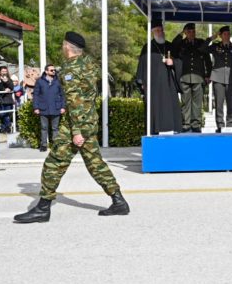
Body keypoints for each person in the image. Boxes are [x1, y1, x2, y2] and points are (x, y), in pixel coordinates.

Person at [14, 32, 129, 223]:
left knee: (54, 162)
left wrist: (76, 131)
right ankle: (119, 201)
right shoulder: (89, 63)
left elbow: (75, 101)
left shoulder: (70, 68)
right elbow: (87, 98)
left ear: (67, 47)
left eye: (62, 45)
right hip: (88, 121)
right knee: (95, 163)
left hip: (76, 124)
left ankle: (43, 208)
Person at [136, 17, 183, 134]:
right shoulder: (147, 48)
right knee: (155, 108)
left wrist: (173, 63)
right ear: (152, 32)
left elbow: (180, 62)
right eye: (156, 30)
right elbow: (141, 65)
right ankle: (155, 130)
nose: (159, 32)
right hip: (153, 85)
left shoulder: (170, 46)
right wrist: (142, 82)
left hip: (168, 84)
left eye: (160, 30)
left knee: (170, 106)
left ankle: (172, 129)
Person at [170, 22, 212, 133]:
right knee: (185, 102)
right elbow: (172, 47)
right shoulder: (181, 44)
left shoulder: (200, 43)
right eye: (188, 32)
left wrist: (208, 75)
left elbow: (207, 60)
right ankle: (186, 124)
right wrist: (180, 35)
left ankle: (196, 124)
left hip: (198, 76)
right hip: (184, 76)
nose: (191, 33)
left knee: (197, 102)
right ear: (185, 32)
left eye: (193, 31)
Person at [207, 26, 232, 131]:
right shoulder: (215, 46)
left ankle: (230, 125)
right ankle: (220, 125)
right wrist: (211, 38)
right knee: (219, 104)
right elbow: (202, 48)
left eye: (228, 34)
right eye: (225, 34)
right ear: (221, 36)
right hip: (218, 79)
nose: (227, 36)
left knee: (231, 104)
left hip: (231, 79)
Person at [32, 65, 65, 151]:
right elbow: (36, 95)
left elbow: (62, 95)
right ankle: (43, 145)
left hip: (56, 108)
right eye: (51, 70)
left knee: (55, 128)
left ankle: (55, 145)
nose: (53, 71)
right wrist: (36, 107)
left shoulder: (58, 81)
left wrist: (62, 106)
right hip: (43, 108)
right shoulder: (39, 81)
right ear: (46, 71)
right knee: (44, 128)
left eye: (54, 70)